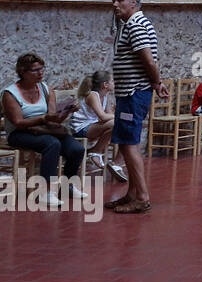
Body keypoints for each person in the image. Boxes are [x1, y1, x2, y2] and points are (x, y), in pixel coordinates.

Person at [109, 0, 167, 214]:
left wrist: (157, 82)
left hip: (133, 93)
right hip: (128, 93)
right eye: (113, 0)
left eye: (120, 0)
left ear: (133, 3)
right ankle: (131, 194)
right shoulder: (129, 25)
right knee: (125, 142)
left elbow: (148, 61)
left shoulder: (136, 25)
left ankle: (142, 197)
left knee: (129, 144)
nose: (114, 4)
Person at [2, 53, 84, 205]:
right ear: (22, 72)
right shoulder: (10, 93)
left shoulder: (46, 89)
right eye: (35, 70)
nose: (40, 73)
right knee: (52, 144)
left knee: (76, 149)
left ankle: (68, 186)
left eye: (42, 69)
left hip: (44, 129)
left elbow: (53, 119)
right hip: (19, 133)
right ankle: (46, 192)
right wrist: (42, 119)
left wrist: (67, 111)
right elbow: (18, 122)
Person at [69, 70, 126, 183]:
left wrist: (118, 117)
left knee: (120, 124)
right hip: (81, 128)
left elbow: (108, 114)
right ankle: (95, 152)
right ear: (105, 84)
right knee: (115, 123)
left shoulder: (105, 96)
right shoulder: (93, 95)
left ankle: (107, 158)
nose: (114, 83)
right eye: (112, 81)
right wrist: (118, 117)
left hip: (92, 126)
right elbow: (103, 116)